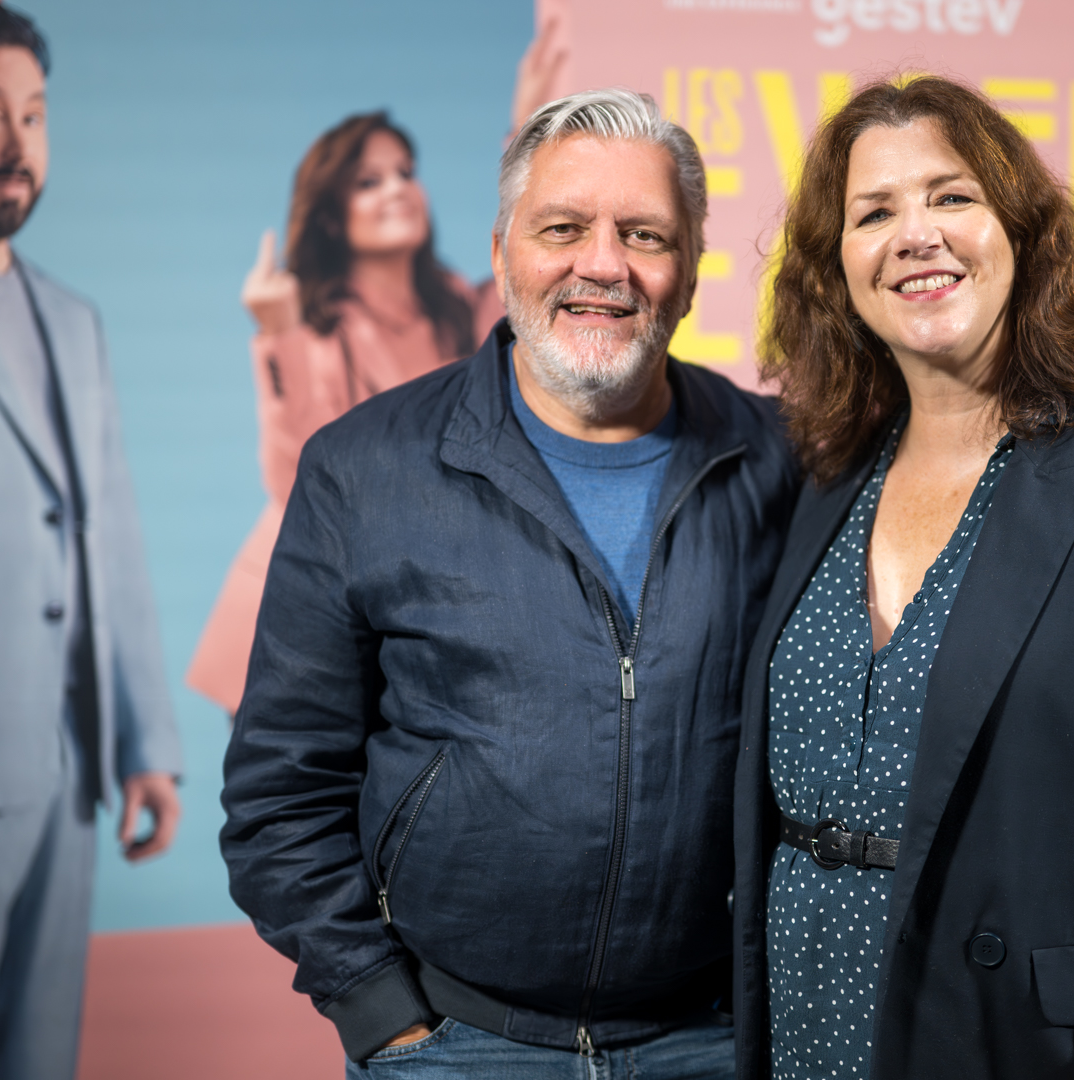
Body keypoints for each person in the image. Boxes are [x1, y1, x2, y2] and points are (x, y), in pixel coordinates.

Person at [220, 88, 798, 1076]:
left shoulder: (784, 465)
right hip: (453, 1045)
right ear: (500, 253)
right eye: (563, 228)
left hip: (711, 1045)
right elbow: (280, 793)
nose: (603, 265)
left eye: (645, 234)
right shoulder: (363, 468)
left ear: (692, 273)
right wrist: (382, 1015)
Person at [732, 76, 1074, 1080]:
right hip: (802, 1019)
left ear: (1018, 231)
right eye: (874, 212)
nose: (916, 234)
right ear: (836, 266)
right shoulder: (818, 478)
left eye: (951, 196)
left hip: (1021, 1038)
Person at [0, 4, 183, 1079]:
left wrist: (145, 740)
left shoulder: (74, 318)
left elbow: (110, 535)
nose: (17, 143)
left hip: (69, 772)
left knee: (37, 1061)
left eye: (32, 114)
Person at [186, 111, 504, 715]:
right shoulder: (319, 329)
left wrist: (522, 129)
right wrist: (278, 335)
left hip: (399, 613)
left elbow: (528, 270)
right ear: (331, 215)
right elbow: (296, 484)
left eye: (405, 172)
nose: (397, 189)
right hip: (303, 619)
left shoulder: (457, 308)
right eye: (368, 181)